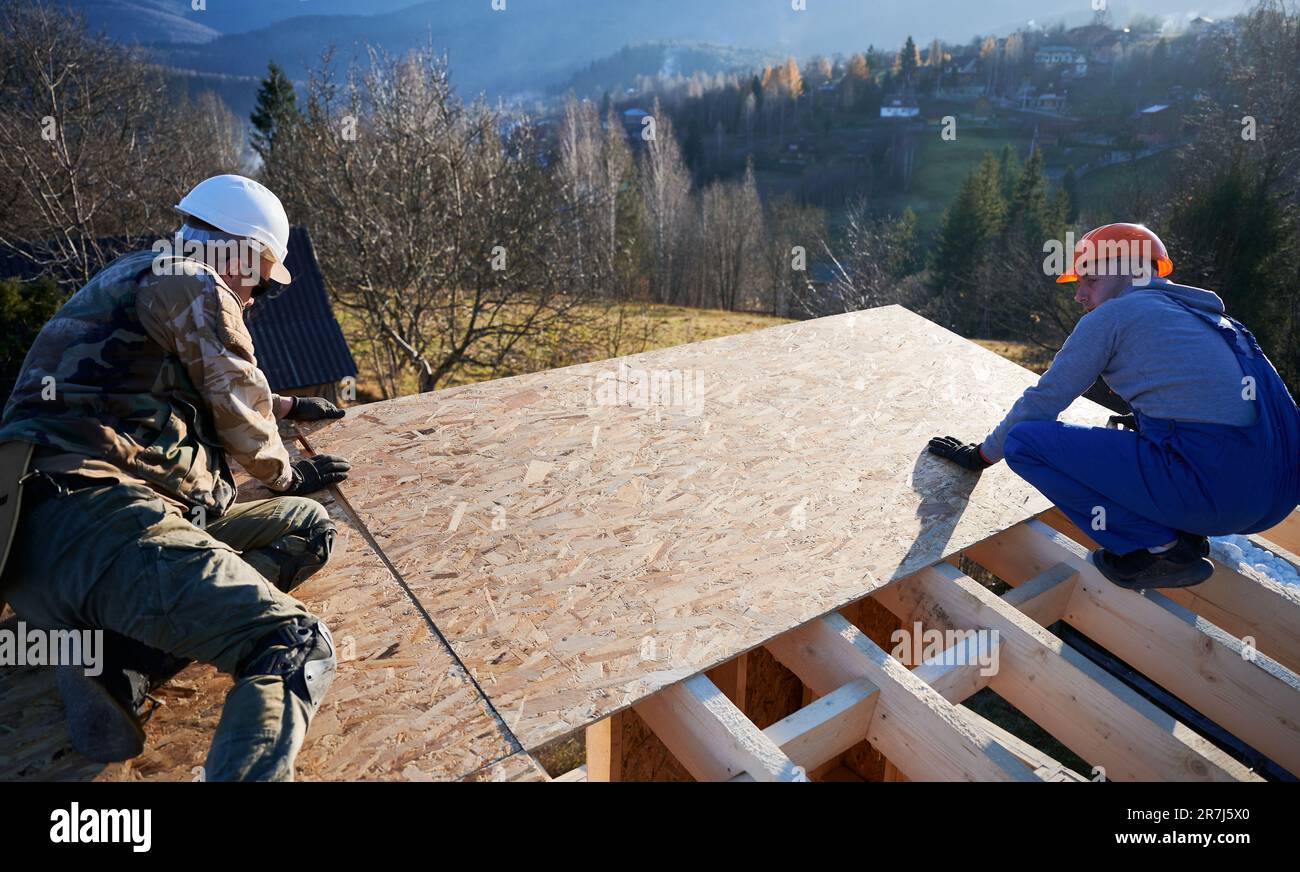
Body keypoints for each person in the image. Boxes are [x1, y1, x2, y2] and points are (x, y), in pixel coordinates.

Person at [0, 175, 352, 780]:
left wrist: (288, 408)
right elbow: (236, 400)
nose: (257, 294)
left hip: (33, 542)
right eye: (262, 279)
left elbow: (193, 376)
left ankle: (111, 647)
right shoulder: (198, 284)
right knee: (294, 646)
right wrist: (284, 472)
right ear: (246, 251)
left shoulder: (145, 272)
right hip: (99, 525)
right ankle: (121, 655)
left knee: (308, 529)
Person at [928, 223, 1300, 589]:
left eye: (1089, 280)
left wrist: (980, 456)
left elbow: (1044, 401)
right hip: (1279, 495)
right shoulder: (1216, 321)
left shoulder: (1114, 316)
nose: (1079, 295)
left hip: (1220, 495)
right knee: (1149, 438)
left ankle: (1161, 550)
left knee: (1025, 443)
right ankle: (1182, 531)